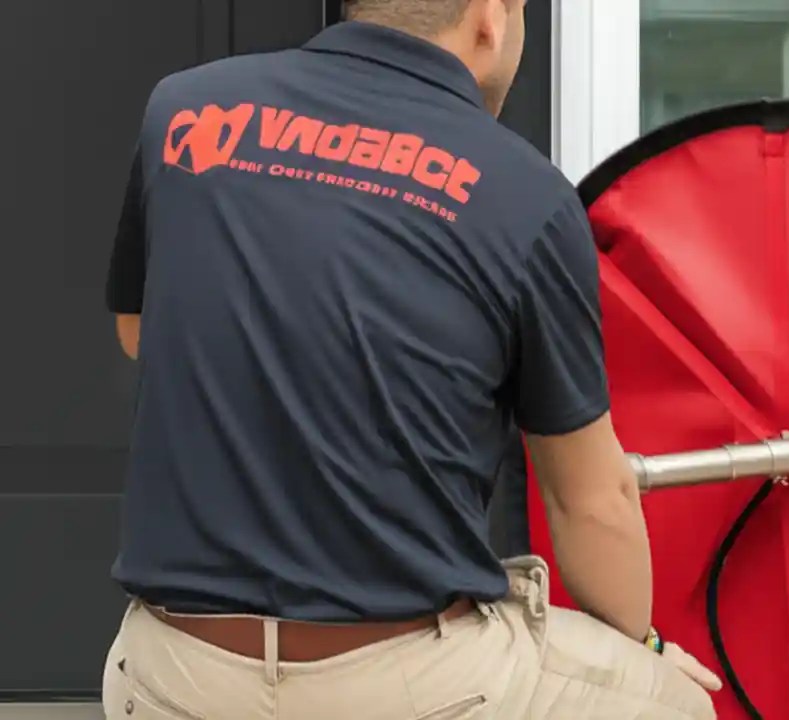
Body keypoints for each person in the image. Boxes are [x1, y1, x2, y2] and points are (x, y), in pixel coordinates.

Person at [101, 0, 721, 717]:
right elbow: (591, 502)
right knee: (675, 703)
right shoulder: (525, 194)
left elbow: (138, 332)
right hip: (407, 687)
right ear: (491, 18)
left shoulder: (183, 110)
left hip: (170, 675)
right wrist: (637, 650)